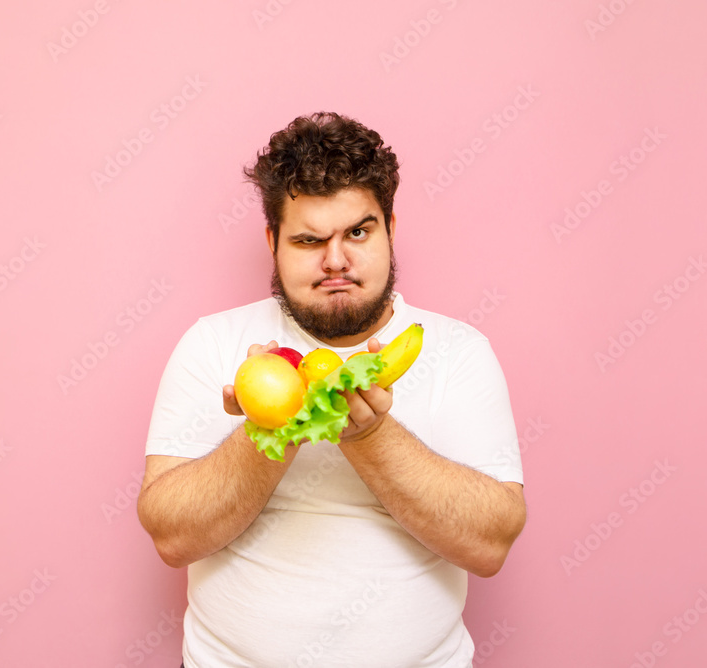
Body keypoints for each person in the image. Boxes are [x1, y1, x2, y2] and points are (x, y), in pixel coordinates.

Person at [137, 111, 526, 668]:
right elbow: (172, 538)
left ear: (391, 226)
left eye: (358, 233)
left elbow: (490, 545)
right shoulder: (214, 344)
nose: (336, 261)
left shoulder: (459, 351)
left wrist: (370, 436)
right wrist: (270, 428)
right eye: (308, 240)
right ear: (272, 241)